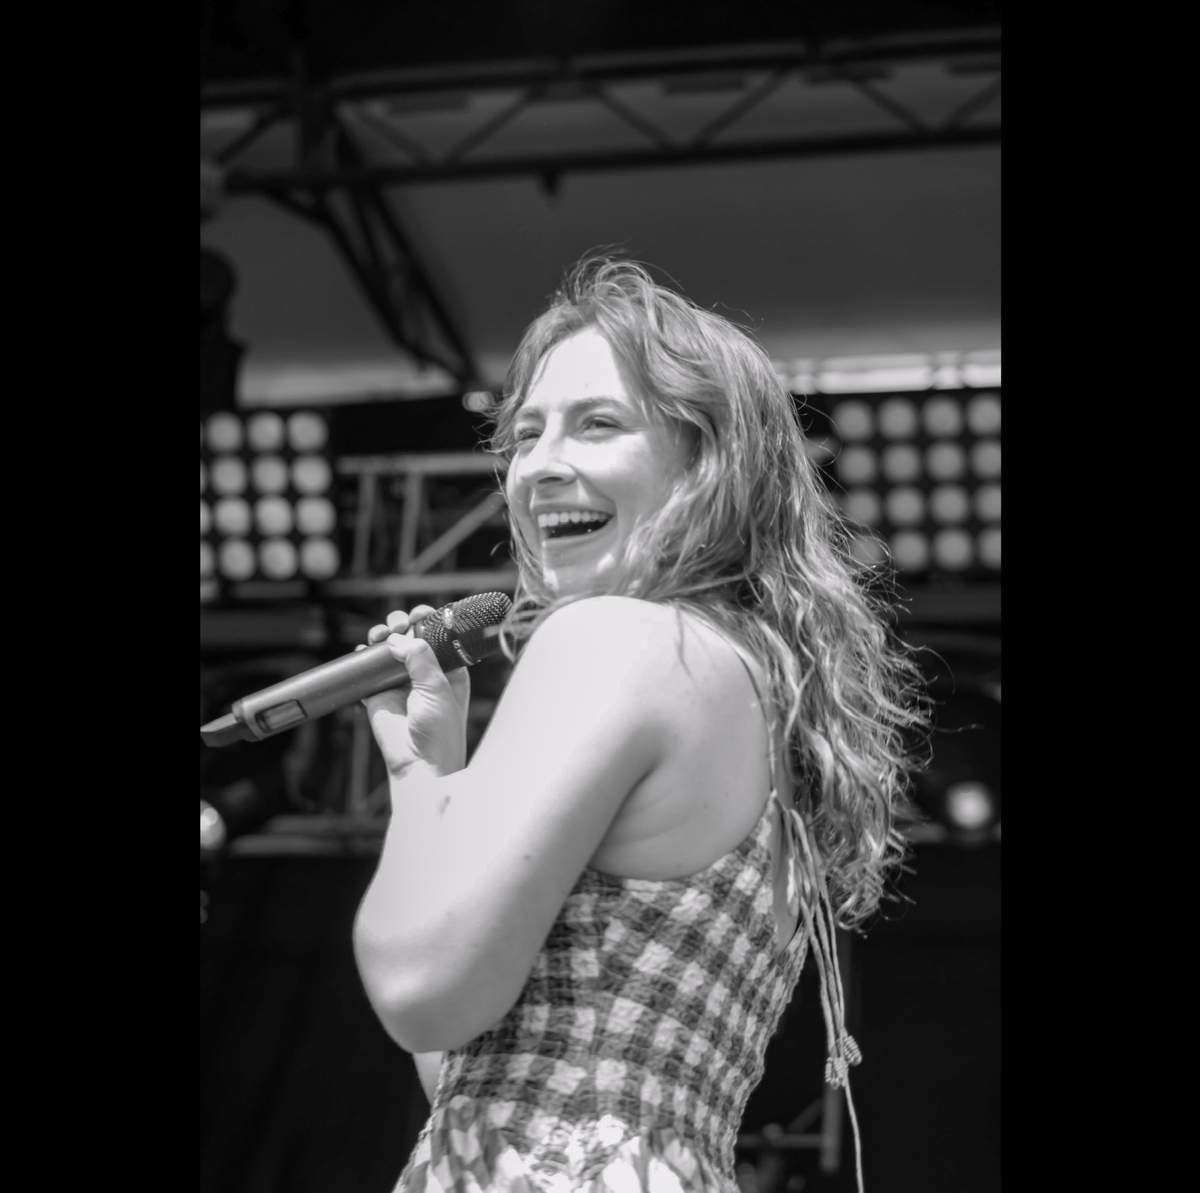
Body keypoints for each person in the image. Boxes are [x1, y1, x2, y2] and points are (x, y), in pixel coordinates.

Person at [352, 257, 926, 1192]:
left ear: (708, 463)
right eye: (525, 434)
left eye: (598, 424)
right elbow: (480, 1071)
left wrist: (420, 793)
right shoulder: (752, 687)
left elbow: (420, 988)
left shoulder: (610, 639)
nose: (541, 465)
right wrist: (436, 764)